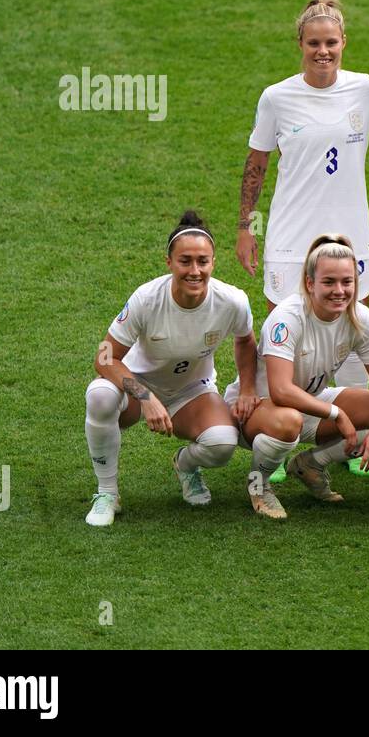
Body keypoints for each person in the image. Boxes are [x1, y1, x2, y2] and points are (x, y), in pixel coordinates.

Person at [236, 0, 369, 392]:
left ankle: (353, 442)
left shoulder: (365, 89)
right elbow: (256, 164)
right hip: (291, 236)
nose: (323, 51)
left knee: (356, 332)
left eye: (331, 43)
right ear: (301, 45)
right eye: (314, 43)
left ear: (343, 43)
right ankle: (279, 437)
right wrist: (244, 227)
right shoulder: (277, 97)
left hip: (351, 236)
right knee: (284, 337)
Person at [84, 211, 259, 527]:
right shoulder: (146, 298)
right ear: (169, 263)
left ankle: (186, 466)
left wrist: (248, 387)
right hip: (136, 388)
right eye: (185, 261)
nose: (195, 271)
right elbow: (105, 357)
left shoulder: (233, 301)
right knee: (99, 396)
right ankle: (107, 493)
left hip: (191, 391)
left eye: (203, 262)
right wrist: (146, 397)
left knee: (222, 444)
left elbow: (246, 342)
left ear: (213, 263)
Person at [226, 235, 369, 519]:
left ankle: (310, 464)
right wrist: (337, 414)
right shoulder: (288, 317)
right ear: (310, 284)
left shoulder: (361, 318)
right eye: (329, 282)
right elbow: (281, 390)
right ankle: (258, 486)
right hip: (257, 409)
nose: (340, 290)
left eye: (347, 282)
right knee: (289, 421)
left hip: (309, 403)